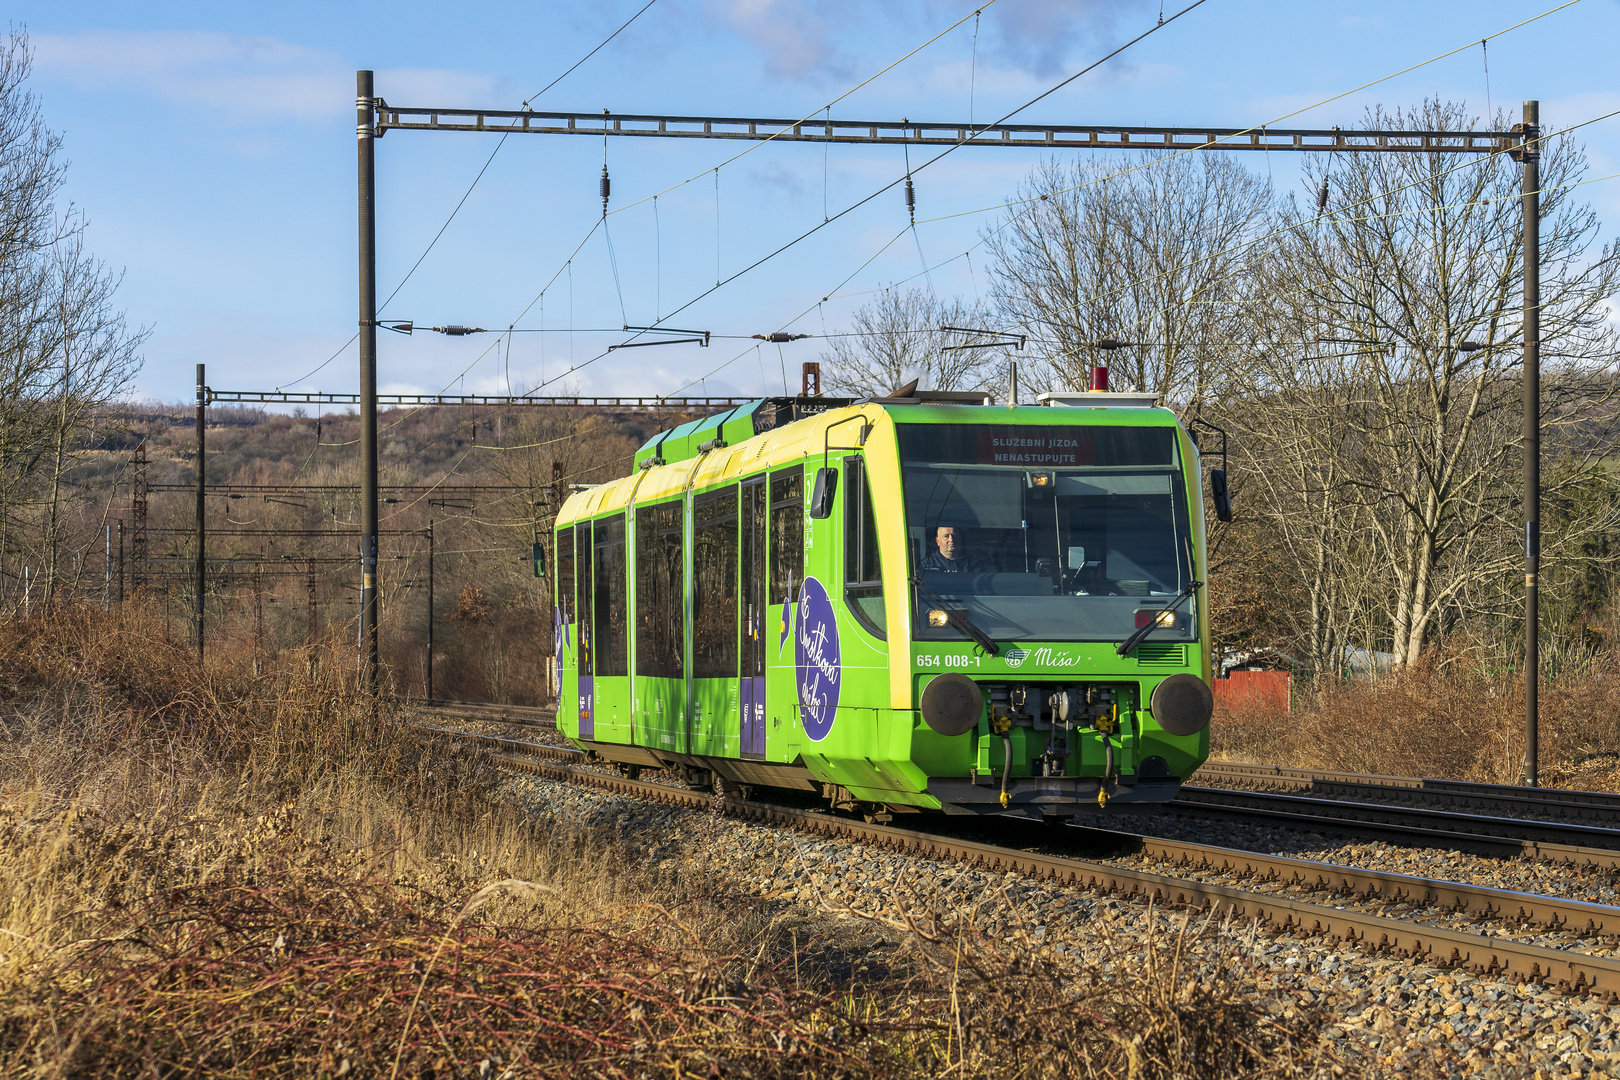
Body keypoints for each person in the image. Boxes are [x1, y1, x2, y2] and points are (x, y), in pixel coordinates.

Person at [920, 525, 988, 573]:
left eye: (954, 535)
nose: (951, 540)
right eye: (946, 536)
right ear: (938, 541)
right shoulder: (925, 564)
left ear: (960, 538)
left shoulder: (973, 564)